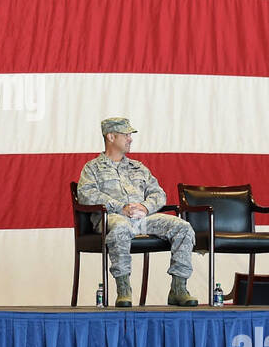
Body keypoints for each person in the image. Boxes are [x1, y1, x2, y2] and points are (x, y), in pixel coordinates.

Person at [76, 118, 198, 307]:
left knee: (183, 227)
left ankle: (178, 289)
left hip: (144, 218)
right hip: (112, 217)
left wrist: (145, 207)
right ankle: (124, 290)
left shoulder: (138, 167)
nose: (130, 139)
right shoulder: (92, 168)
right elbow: (86, 194)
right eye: (126, 135)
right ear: (111, 136)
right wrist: (119, 207)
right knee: (120, 228)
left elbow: (158, 193)